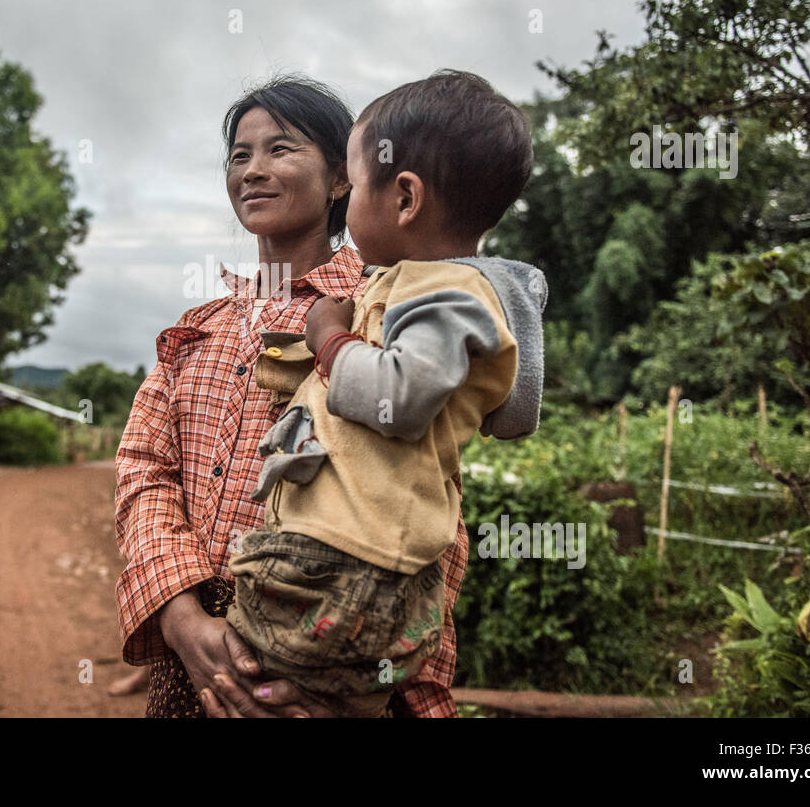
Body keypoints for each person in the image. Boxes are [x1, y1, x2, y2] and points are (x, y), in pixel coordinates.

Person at [114, 76, 471, 718]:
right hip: (195, 664)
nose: (253, 171)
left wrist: (366, 675)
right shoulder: (198, 332)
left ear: (342, 178)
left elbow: (428, 499)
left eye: (281, 150)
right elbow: (144, 471)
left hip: (332, 654)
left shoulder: (379, 316)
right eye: (239, 155)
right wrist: (181, 618)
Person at [223, 69, 547, 716]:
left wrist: (330, 341)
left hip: (357, 563)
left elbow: (396, 396)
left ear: (403, 198)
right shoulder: (406, 286)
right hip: (358, 557)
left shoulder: (446, 293)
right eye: (239, 154)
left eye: (354, 173)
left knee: (266, 673)